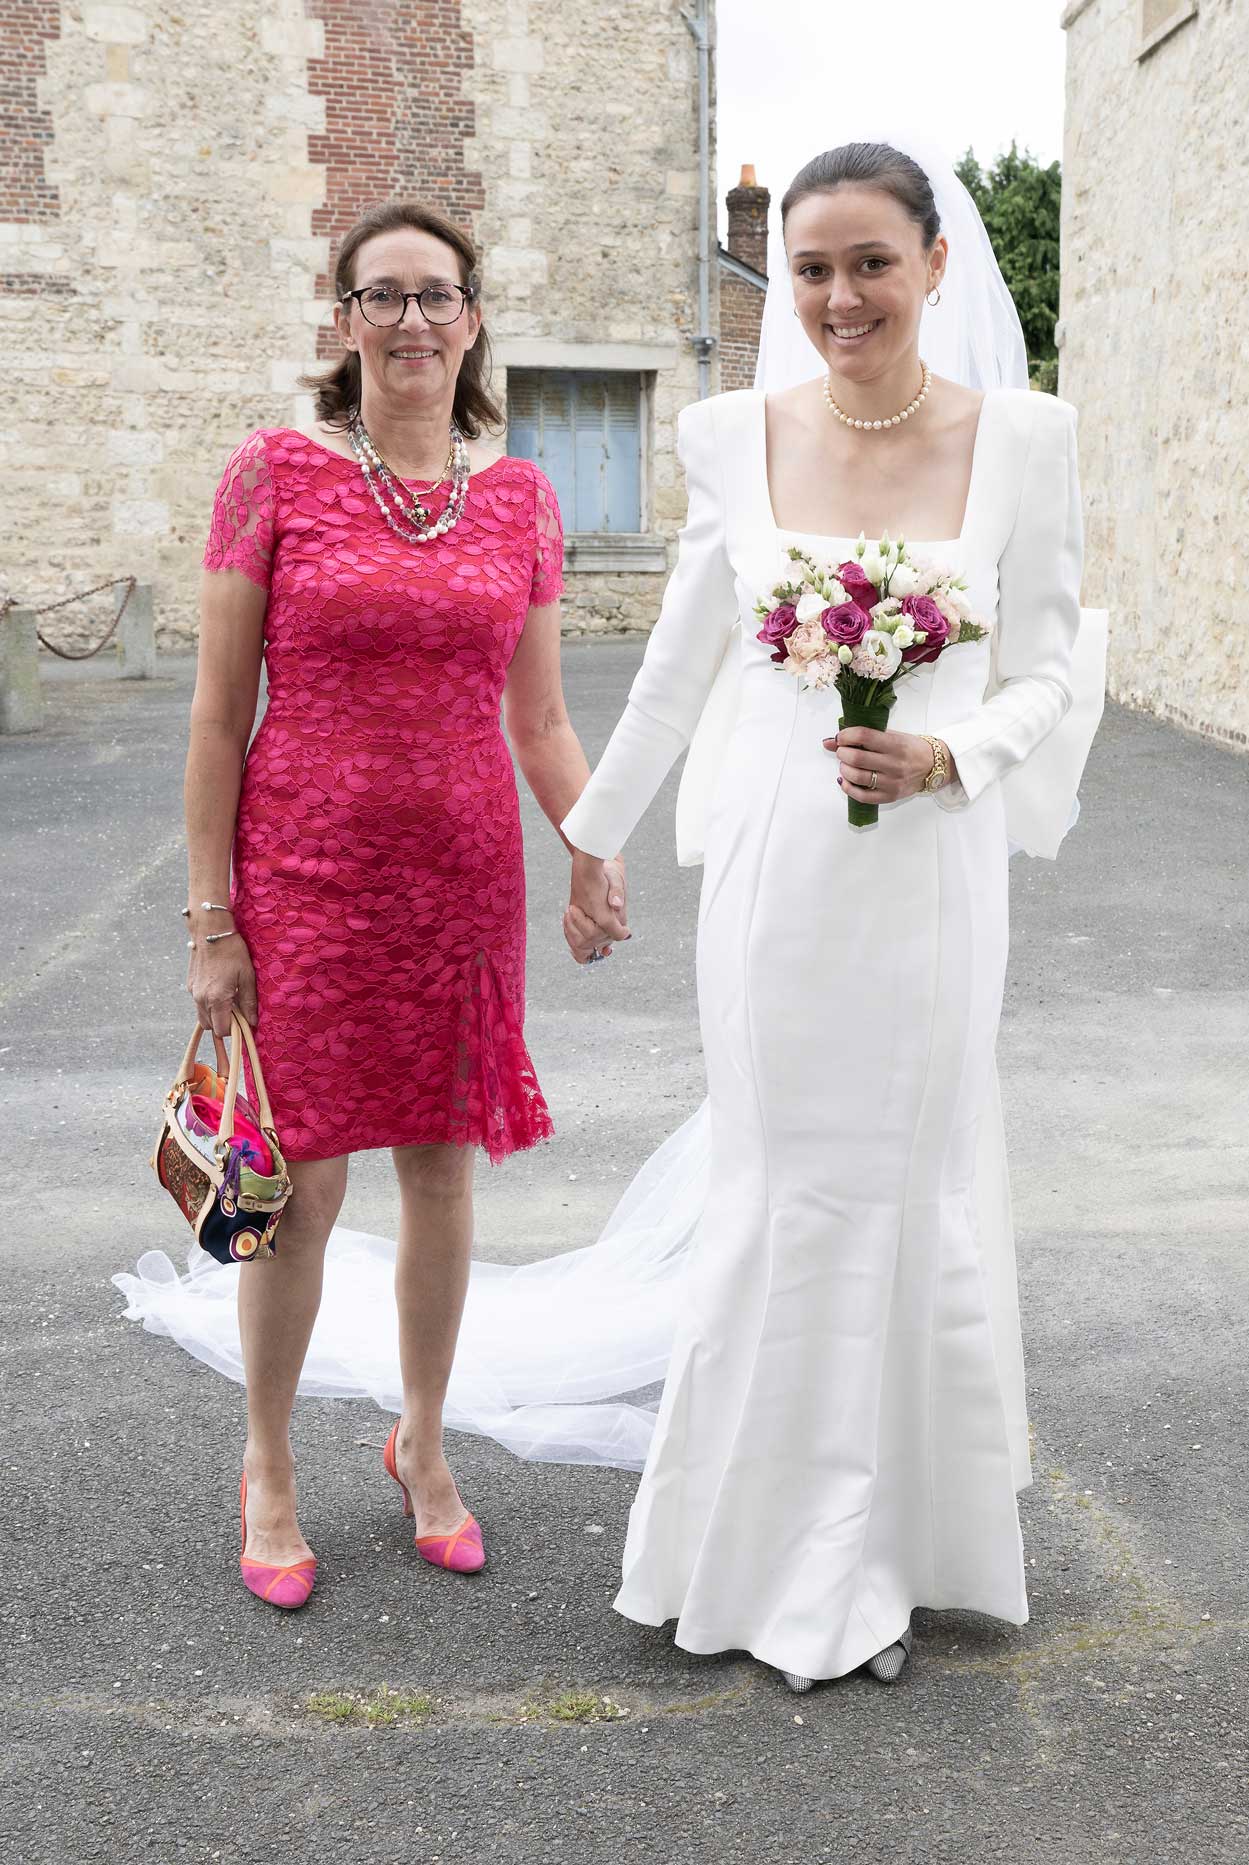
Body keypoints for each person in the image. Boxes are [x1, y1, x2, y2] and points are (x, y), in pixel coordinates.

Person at [560, 139, 1085, 1691]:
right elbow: (677, 670)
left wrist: (954, 750)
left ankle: (887, 1550)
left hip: (931, 871)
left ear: (934, 263)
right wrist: (595, 839)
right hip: (781, 868)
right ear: (782, 278)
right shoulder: (732, 435)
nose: (840, 295)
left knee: (905, 1182)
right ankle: (747, 1544)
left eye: (870, 261)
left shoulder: (1028, 441)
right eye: (809, 267)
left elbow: (1056, 666)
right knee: (780, 1180)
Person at [168, 201, 622, 1608]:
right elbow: (213, 715)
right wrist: (210, 918)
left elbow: (540, 718)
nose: (413, 321)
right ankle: (269, 1463)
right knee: (300, 1182)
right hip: (303, 882)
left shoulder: (523, 501)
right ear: (346, 319)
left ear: (473, 320)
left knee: (441, 1168)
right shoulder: (273, 477)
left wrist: (593, 848)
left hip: (461, 886)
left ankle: (422, 1442)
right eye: (385, 297)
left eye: (438, 297)